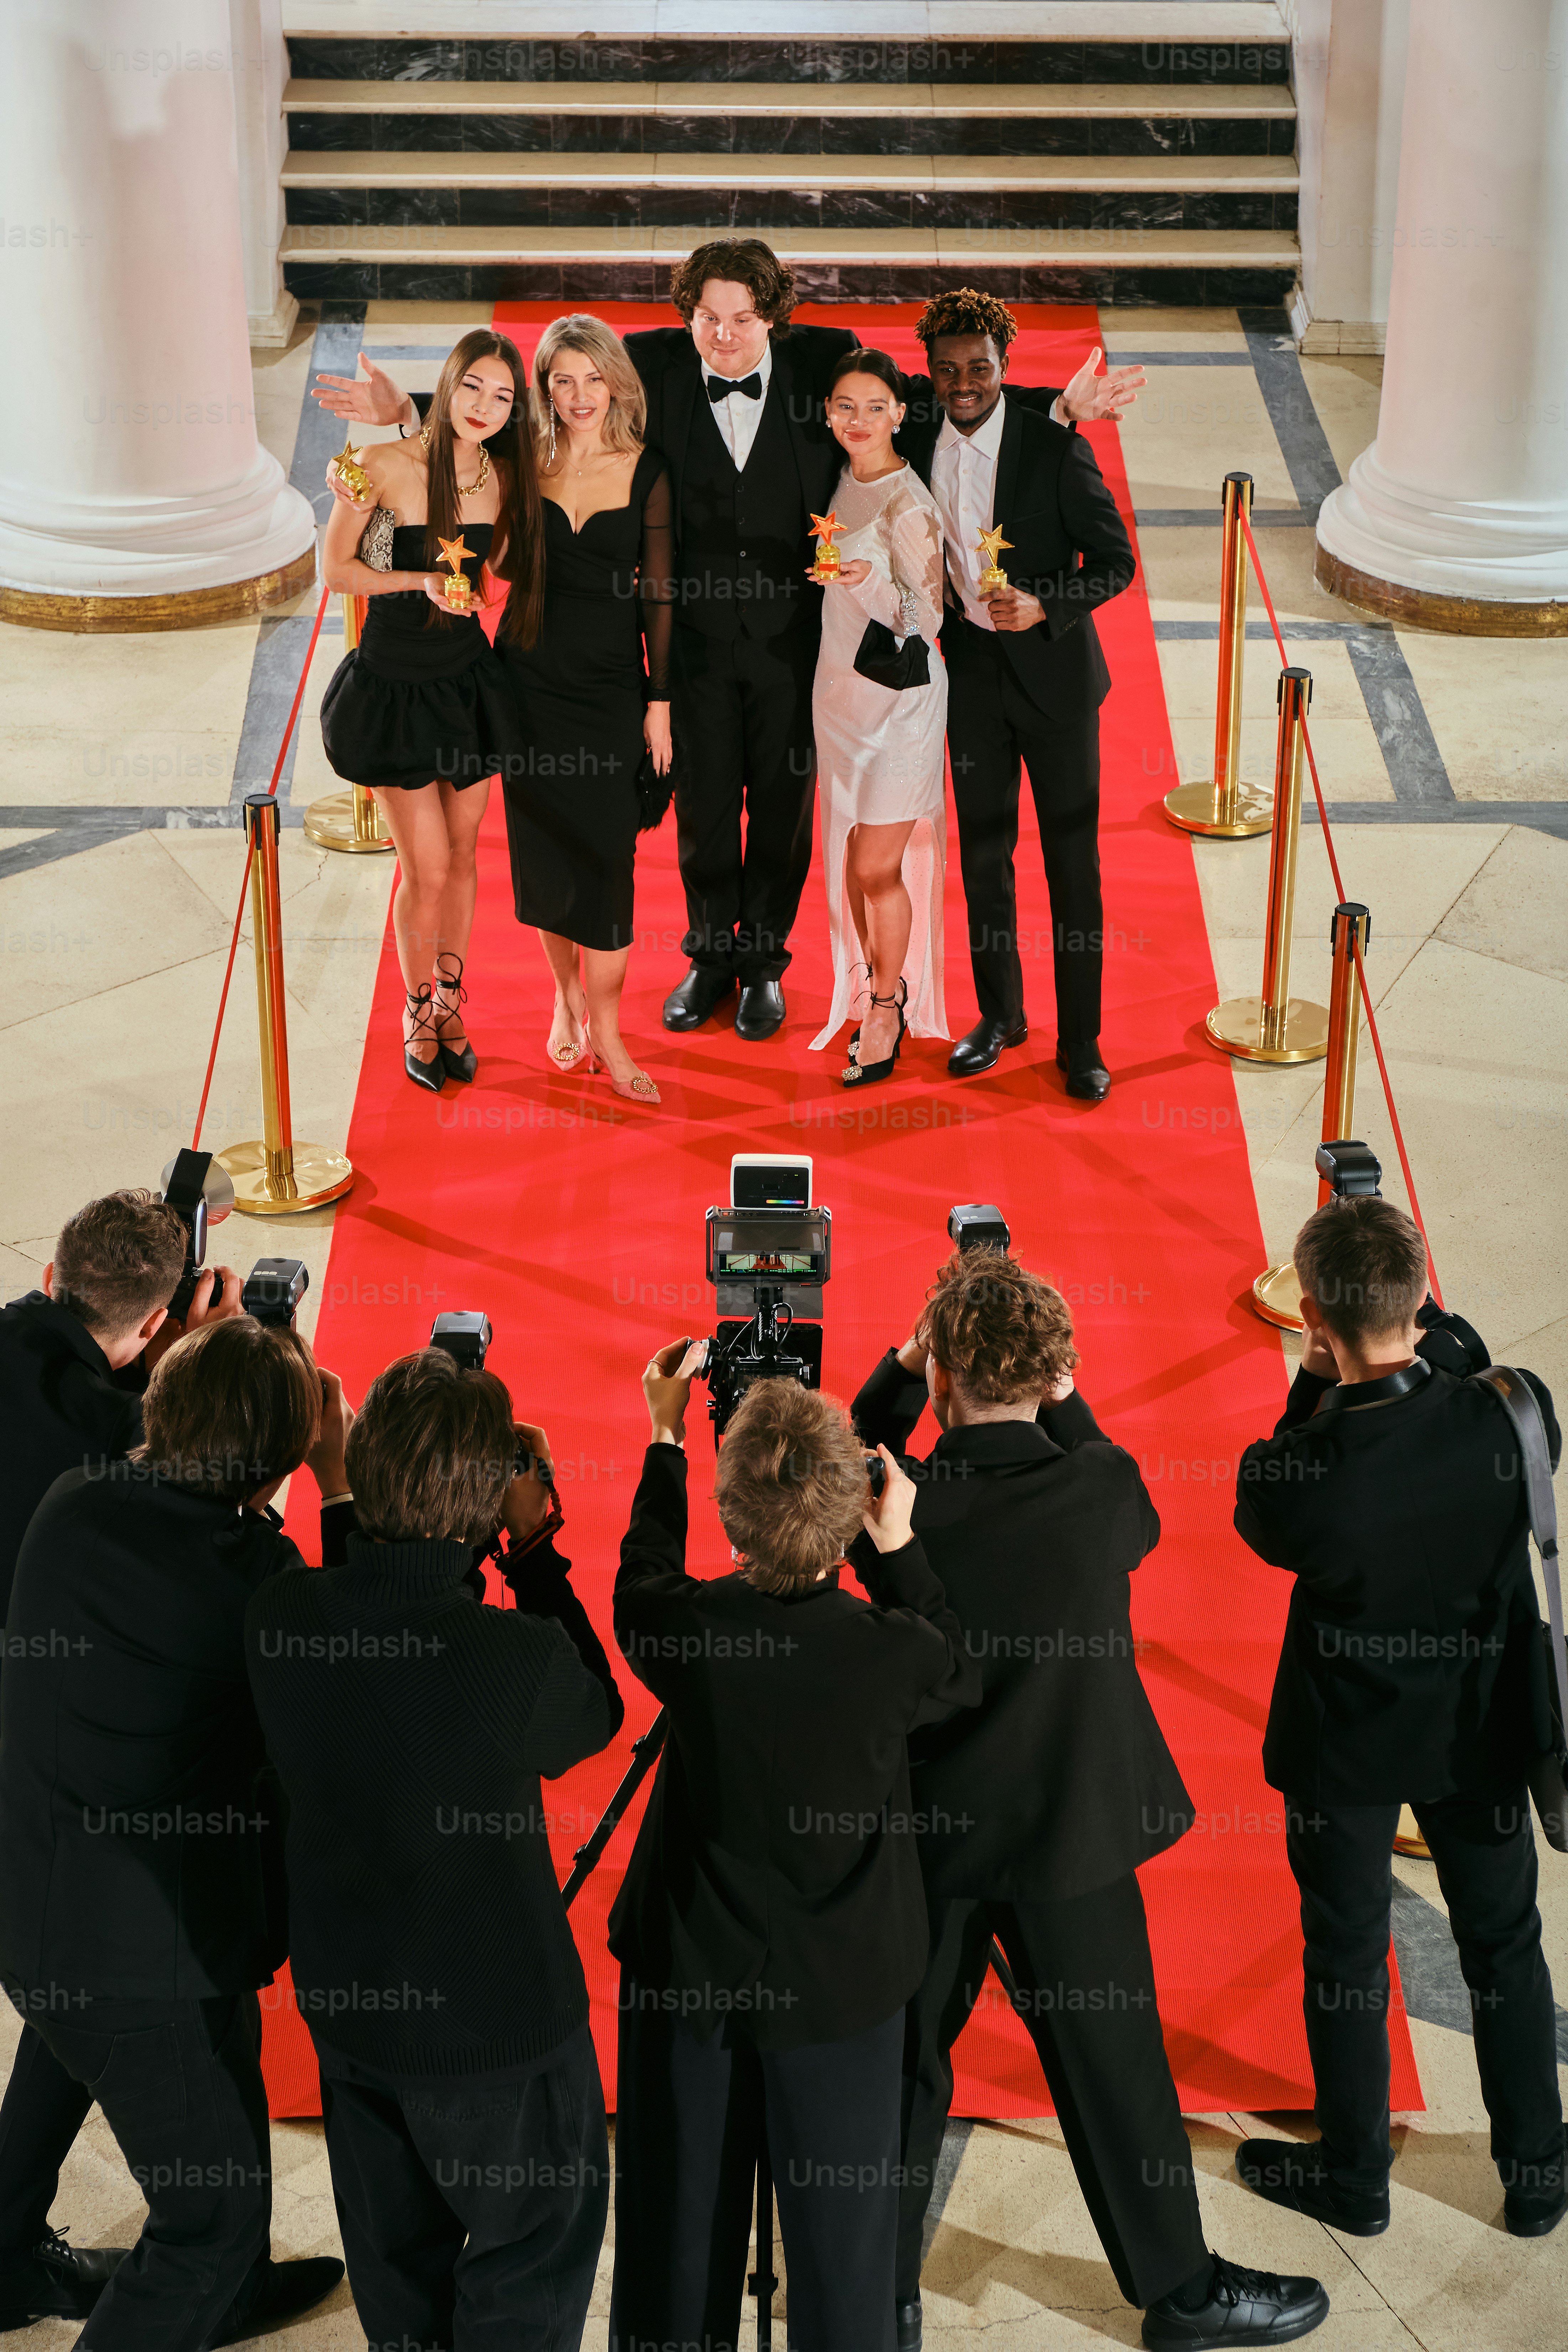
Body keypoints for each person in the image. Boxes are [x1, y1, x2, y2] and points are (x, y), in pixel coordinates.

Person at [315, 244, 1144, 1046]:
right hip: (696, 642)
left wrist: (1058, 411)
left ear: (772, 318)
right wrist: (404, 413)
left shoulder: (825, 361)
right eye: (708, 318)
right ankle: (710, 956)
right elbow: (540, 394)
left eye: (742, 318)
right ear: (688, 317)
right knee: (703, 803)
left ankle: (764, 964)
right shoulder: (651, 367)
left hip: (798, 637)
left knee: (782, 809)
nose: (723, 335)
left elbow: (927, 402)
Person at [853, 1248, 1329, 2352]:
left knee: (899, 2070)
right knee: (1117, 2068)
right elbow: (1098, 1453)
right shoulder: (1103, 1493)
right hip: (1074, 1831)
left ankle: (870, 2296)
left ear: (940, 1379)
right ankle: (1180, 2293)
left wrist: (902, 1362)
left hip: (932, 1838)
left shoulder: (891, 1507)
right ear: (1055, 1373)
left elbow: (848, 1445)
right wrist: (1060, 1390)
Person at [246, 1346, 624, 2350]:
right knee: (528, 2267)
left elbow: (361, 1610)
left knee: (398, 2278)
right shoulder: (513, 1662)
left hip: (352, 2015)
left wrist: (338, 1493)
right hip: (497, 2036)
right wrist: (535, 1549)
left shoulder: (282, 1617)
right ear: (491, 1500)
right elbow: (597, 1711)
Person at [608, 1350, 982, 2352]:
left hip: (691, 1978)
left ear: (732, 1519)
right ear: (853, 1510)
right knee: (845, 2257)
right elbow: (954, 1666)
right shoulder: (893, 1655)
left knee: (675, 2245)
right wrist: (899, 1546)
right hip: (846, 1992)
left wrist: (664, 1434)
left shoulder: (682, 1633)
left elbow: (637, 1578)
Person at [0, 1316, 354, 2351]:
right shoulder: (254, 1587)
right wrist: (337, 1490)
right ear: (280, 1460)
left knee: (66, 2049)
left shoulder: (75, 1503)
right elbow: (346, 1701)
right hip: (144, 1961)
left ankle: (4, 2256)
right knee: (211, 2225)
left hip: (35, 1900)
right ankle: (220, 2279)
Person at [1233, 1195, 1566, 2239]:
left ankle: (1357, 2177)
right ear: (1420, 1297)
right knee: (1506, 1944)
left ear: (1316, 1325)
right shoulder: (1516, 1412)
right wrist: (1441, 1343)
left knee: (1345, 1955)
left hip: (1351, 1745)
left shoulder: (1309, 1477)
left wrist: (1312, 1382)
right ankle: (1539, 2175)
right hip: (1485, 1728)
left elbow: (1265, 1507)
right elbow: (1479, 1381)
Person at [0, 1191, 241, 2335]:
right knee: (85, 1983)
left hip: (33, 1801)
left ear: (54, 1269)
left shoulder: (18, 1339)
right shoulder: (104, 1461)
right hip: (64, 1777)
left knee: (62, 1996)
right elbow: (185, 1511)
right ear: (153, 1334)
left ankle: (0, 2244)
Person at [896, 289, 1138, 1097]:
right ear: (930, 372)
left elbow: (1114, 561)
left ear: (1005, 366)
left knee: (1073, 866)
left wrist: (1046, 604)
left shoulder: (1053, 446)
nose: (964, 383)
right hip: (967, 675)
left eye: (980, 368)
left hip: (1057, 683)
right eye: (948, 370)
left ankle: (1081, 1041)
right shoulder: (918, 430)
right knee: (984, 859)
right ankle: (999, 1017)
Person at [320, 327, 542, 1094]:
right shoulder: (381, 466)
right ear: (449, 386)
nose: (485, 406)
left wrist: (484, 589)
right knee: (429, 865)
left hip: (465, 682)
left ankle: (450, 1003)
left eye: (503, 396)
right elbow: (336, 569)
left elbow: (495, 575)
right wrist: (415, 584)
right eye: (474, 387)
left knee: (465, 853)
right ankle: (415, 1013)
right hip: (394, 684)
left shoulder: (506, 477)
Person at [500, 314, 675, 1106]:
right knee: (546, 858)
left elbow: (659, 595)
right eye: (562, 380)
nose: (579, 395)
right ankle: (565, 998)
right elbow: (451, 455)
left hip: (609, 691)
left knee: (607, 864)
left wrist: (659, 701)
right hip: (527, 683)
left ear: (616, 383)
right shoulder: (521, 462)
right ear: (543, 389)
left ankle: (606, 1028)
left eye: (593, 378)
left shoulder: (647, 470)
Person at [808, 349, 948, 1084]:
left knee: (874, 864)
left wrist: (863, 582)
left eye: (873, 407)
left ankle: (889, 1004)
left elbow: (926, 620)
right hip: (840, 699)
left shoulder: (909, 502)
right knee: (855, 863)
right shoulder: (839, 478)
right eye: (843, 406)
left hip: (900, 708)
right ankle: (870, 984)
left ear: (900, 413)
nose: (857, 421)